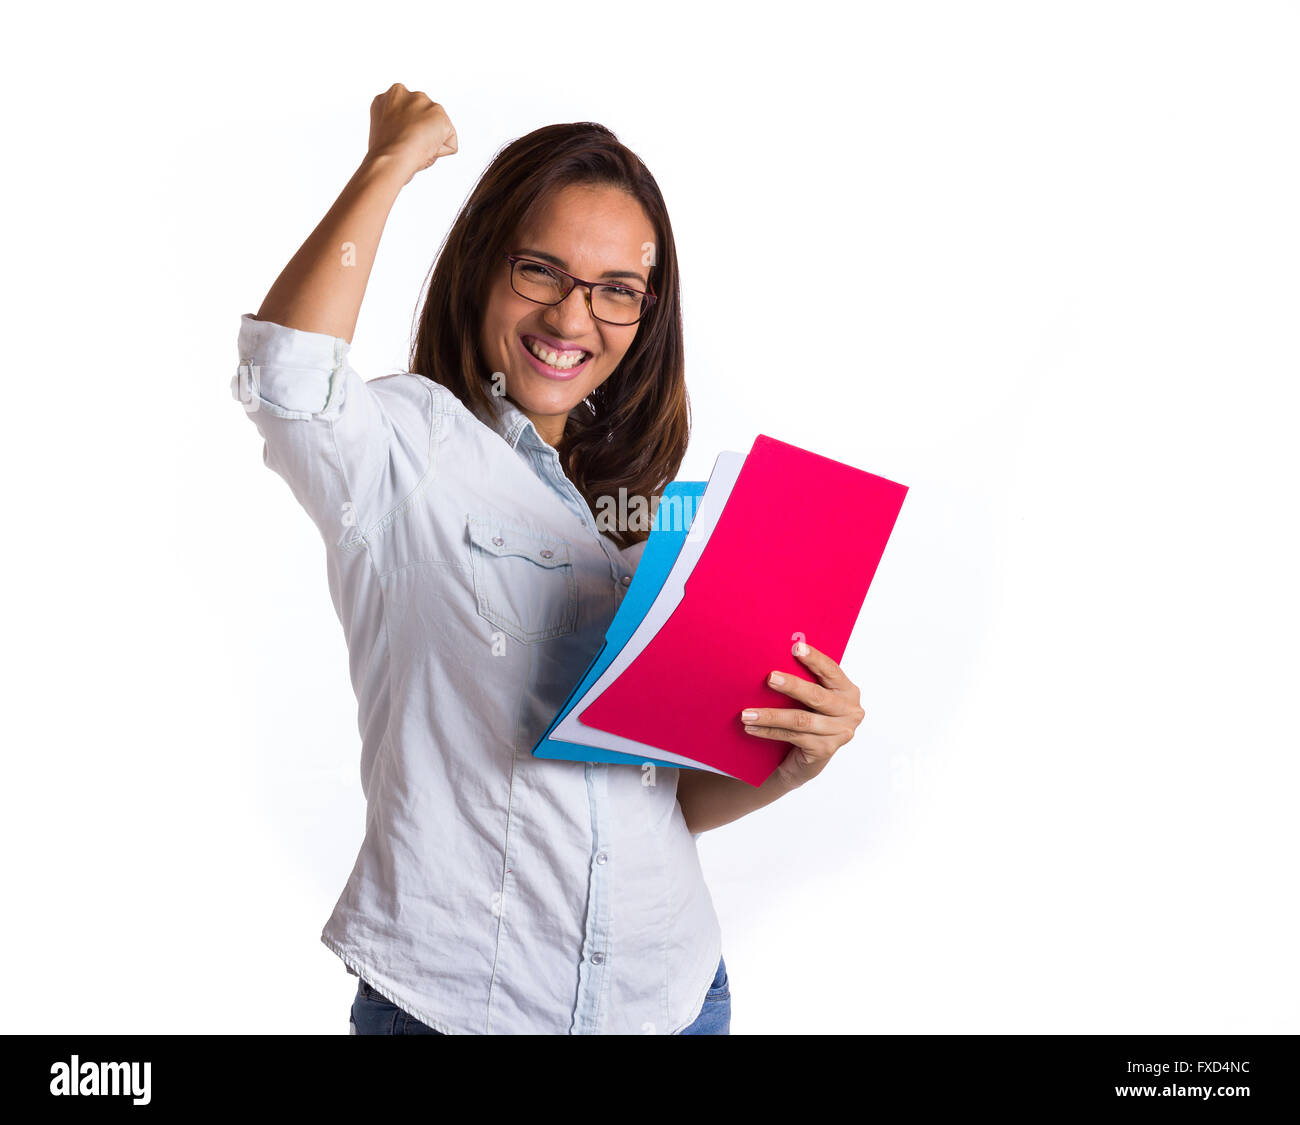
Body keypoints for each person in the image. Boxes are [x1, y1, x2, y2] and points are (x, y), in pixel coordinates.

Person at [233, 83, 867, 1035]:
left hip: (674, 996)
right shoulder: (407, 447)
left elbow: (654, 802)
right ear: (486, 266)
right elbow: (288, 382)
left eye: (617, 289)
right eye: (543, 271)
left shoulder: (639, 514)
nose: (575, 317)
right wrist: (390, 162)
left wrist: (788, 759)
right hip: (465, 1006)